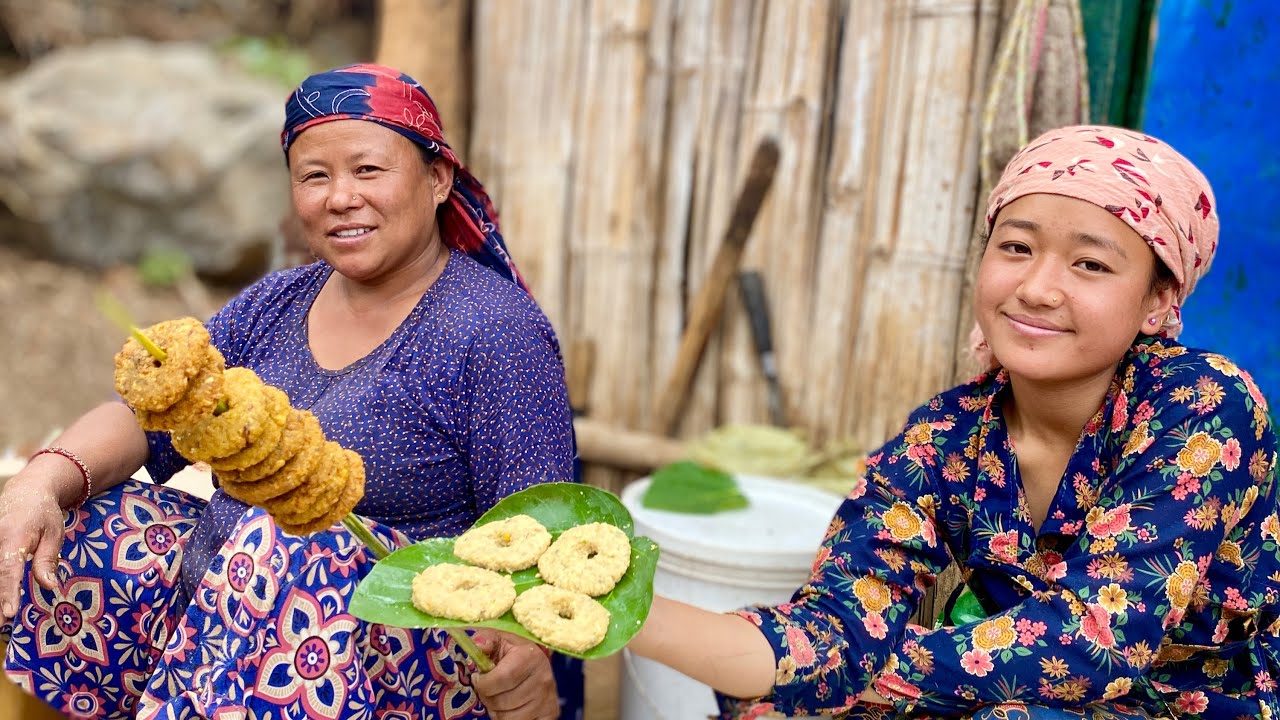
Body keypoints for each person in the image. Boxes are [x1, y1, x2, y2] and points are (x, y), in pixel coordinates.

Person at [630, 125, 1280, 719]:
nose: (1037, 288)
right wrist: (624, 613)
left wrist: (845, 669)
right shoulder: (947, 440)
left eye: (1090, 264)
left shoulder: (1202, 405)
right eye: (1016, 247)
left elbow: (1095, 644)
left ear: (1157, 299)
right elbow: (835, 627)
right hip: (1017, 691)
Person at [0, 64, 576, 720]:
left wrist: (523, 654)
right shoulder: (278, 301)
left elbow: (541, 530)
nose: (341, 197)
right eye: (315, 176)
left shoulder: (494, 331)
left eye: (368, 170)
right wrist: (39, 482)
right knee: (77, 519)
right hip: (230, 605)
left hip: (405, 652)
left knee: (290, 536)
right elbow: (147, 415)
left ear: (438, 179)